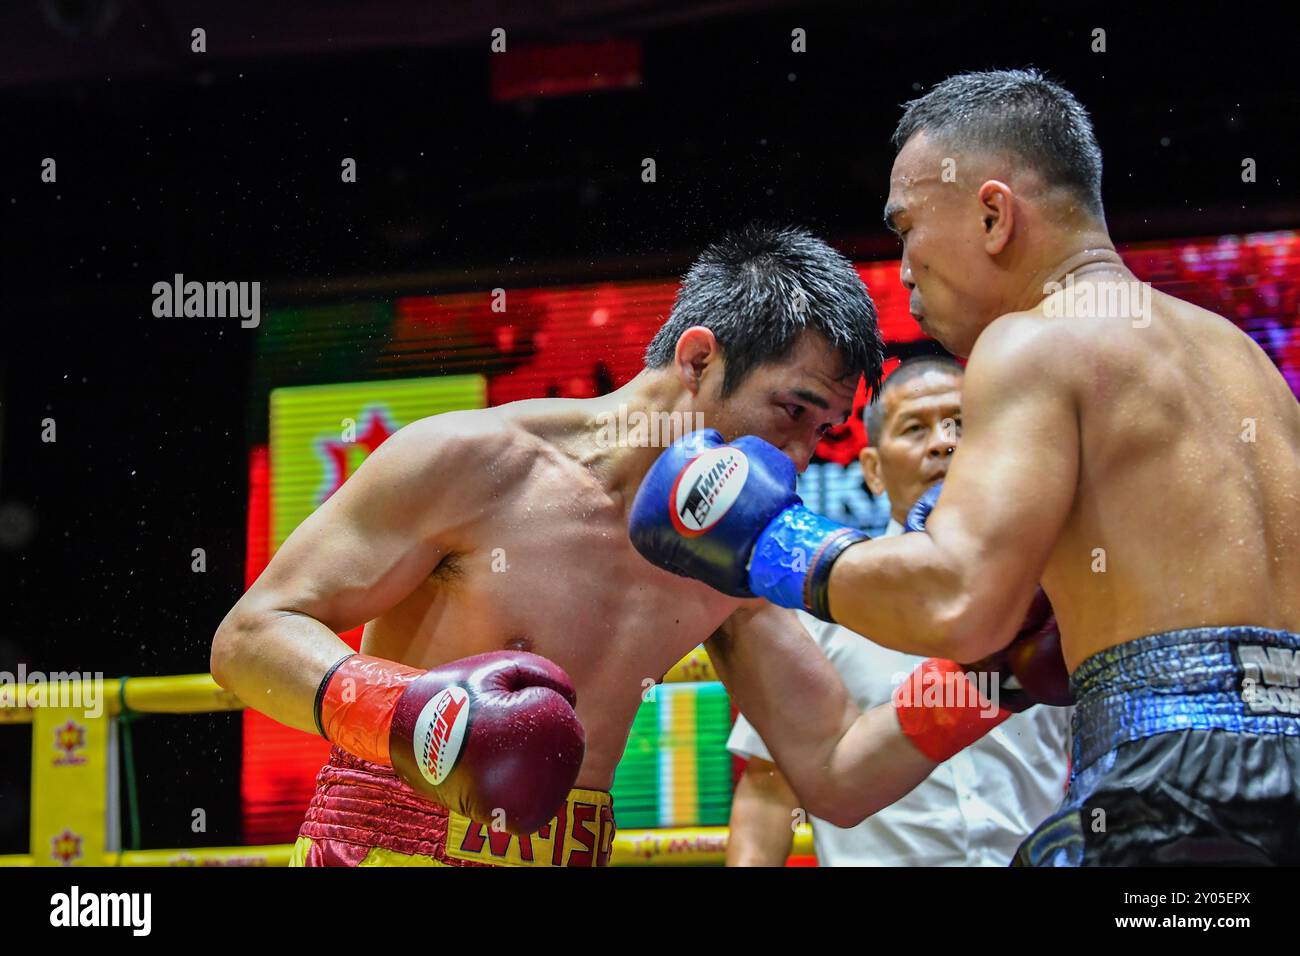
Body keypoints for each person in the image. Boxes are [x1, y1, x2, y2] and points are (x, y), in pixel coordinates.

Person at [628, 70, 1300, 865]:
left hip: (1169, 791)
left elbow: (958, 601)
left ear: (992, 213)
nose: (904, 267)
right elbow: (836, 775)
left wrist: (766, 542)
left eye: (908, 226)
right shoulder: (1238, 354)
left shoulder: (1032, 342)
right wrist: (1003, 681)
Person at [725, 357, 1070, 866]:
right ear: (873, 470)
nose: (943, 443)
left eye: (962, 426)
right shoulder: (820, 610)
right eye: (915, 428)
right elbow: (769, 791)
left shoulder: (1056, 595)